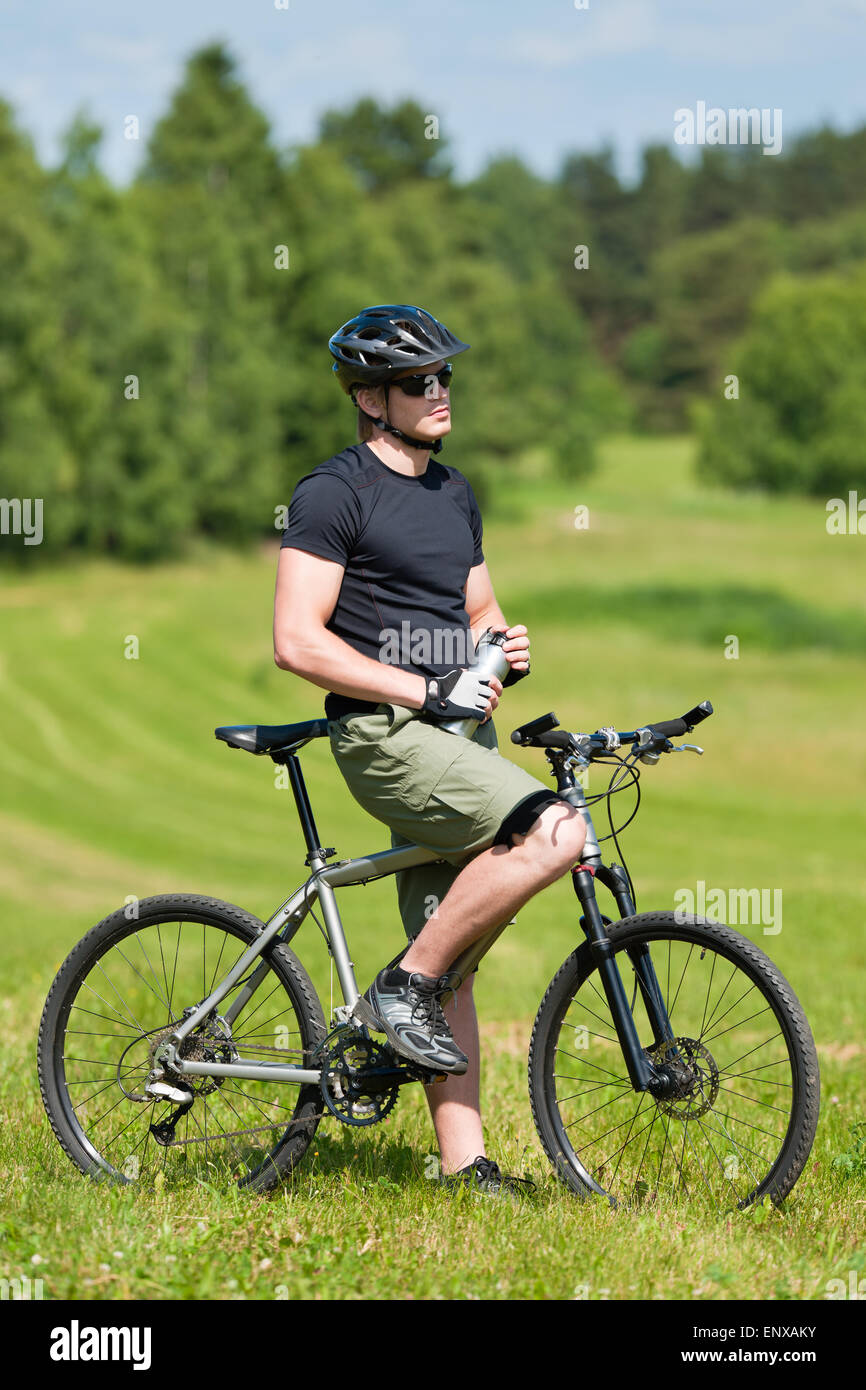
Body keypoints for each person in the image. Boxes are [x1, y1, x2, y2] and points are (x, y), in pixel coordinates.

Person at [274, 304, 585, 1195]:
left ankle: (464, 1167)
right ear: (370, 397)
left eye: (445, 375)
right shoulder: (334, 493)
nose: (439, 390)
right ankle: (398, 987)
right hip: (385, 736)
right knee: (555, 832)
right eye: (419, 381)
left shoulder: (453, 491)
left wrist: (500, 648)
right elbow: (297, 641)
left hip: (460, 734)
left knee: (455, 950)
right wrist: (423, 689)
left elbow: (477, 608)